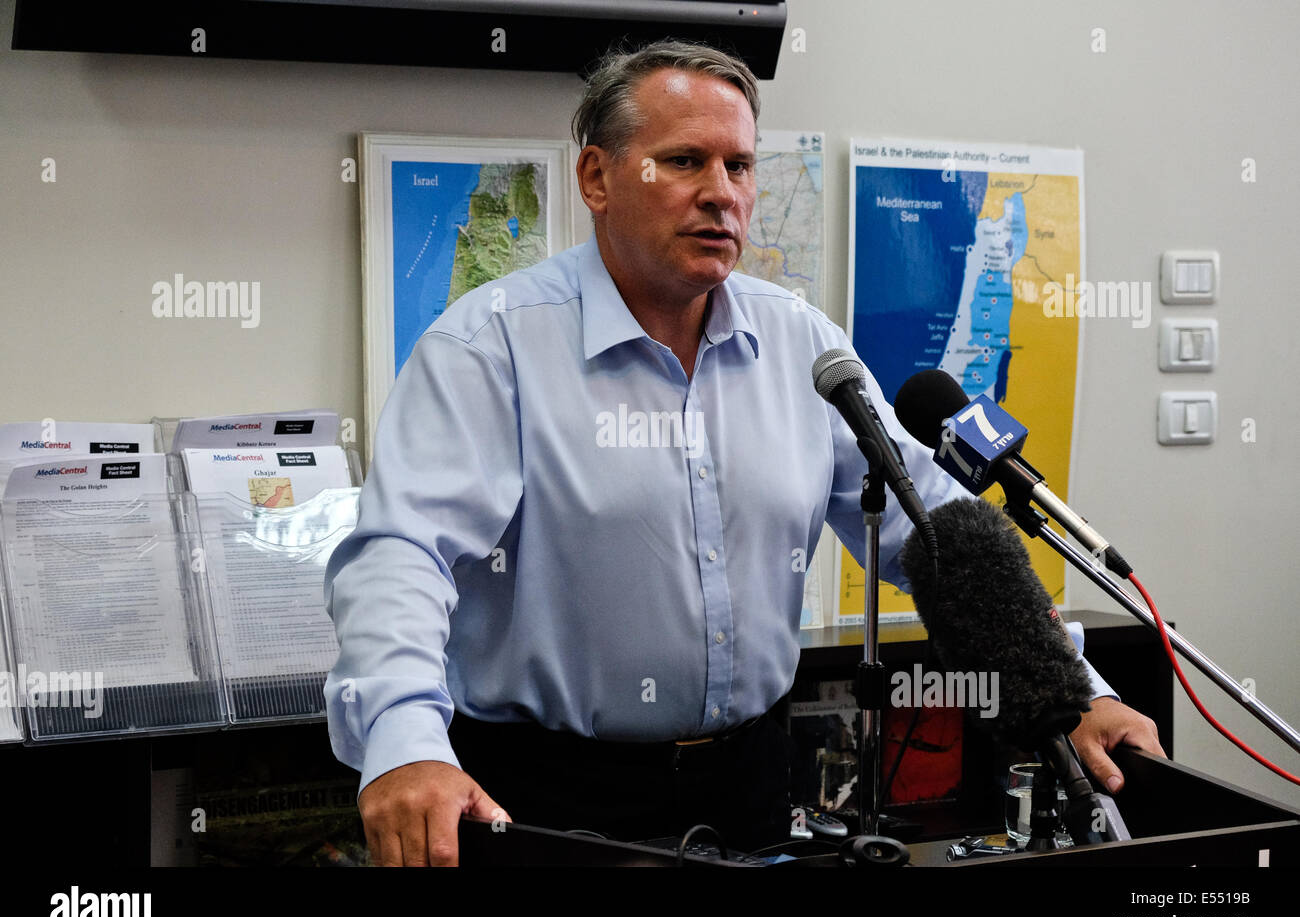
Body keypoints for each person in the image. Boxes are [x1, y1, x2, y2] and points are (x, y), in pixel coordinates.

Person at [323, 40, 1164, 866]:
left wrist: (1074, 695)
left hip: (752, 788)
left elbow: (935, 531)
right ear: (598, 178)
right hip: (551, 796)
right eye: (684, 161)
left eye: (740, 166)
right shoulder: (490, 348)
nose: (721, 194)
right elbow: (400, 558)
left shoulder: (803, 345)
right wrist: (402, 741)